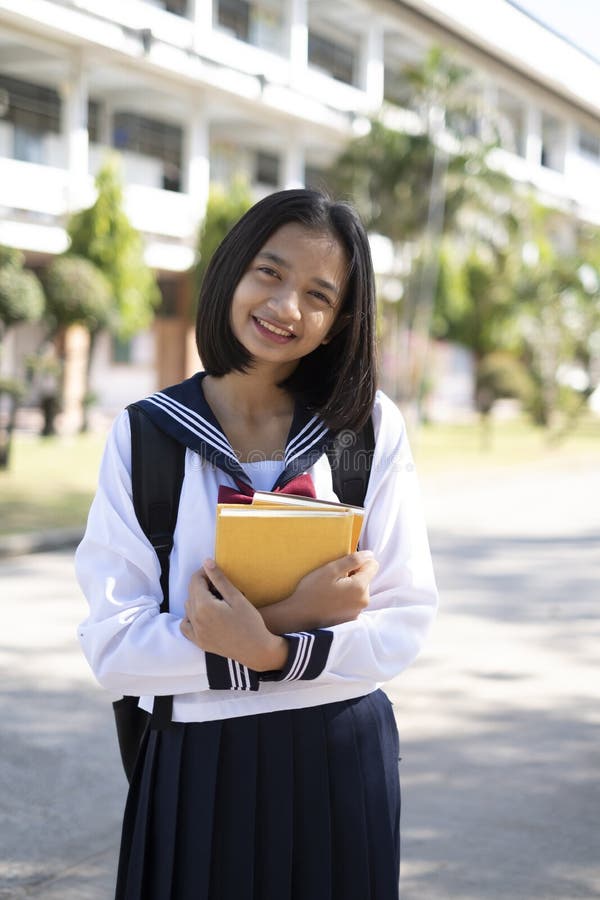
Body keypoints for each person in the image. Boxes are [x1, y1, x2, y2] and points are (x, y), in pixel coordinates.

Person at [75, 188, 438, 900]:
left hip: (340, 755)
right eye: (269, 273)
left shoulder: (363, 429)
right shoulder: (147, 435)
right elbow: (114, 646)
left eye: (318, 294)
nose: (286, 307)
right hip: (200, 764)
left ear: (337, 323)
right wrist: (289, 619)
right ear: (232, 272)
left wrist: (270, 651)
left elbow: (404, 619)